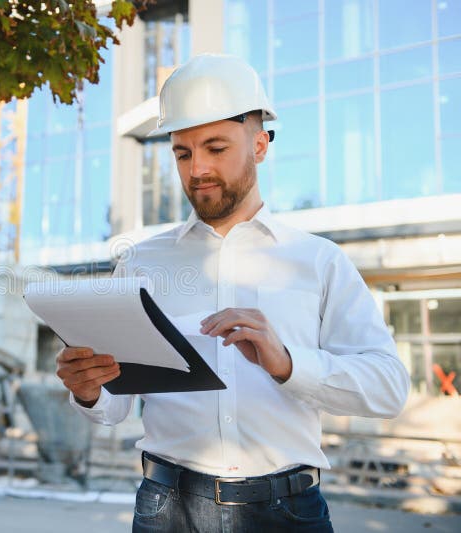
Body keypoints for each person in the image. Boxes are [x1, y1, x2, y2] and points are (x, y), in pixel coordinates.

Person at [55, 54, 410, 533]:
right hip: (168, 509)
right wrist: (89, 388)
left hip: (288, 511)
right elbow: (117, 406)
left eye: (216, 147)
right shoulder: (140, 263)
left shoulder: (320, 261)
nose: (197, 168)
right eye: (182, 153)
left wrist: (286, 361)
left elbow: (388, 388)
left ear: (260, 145)